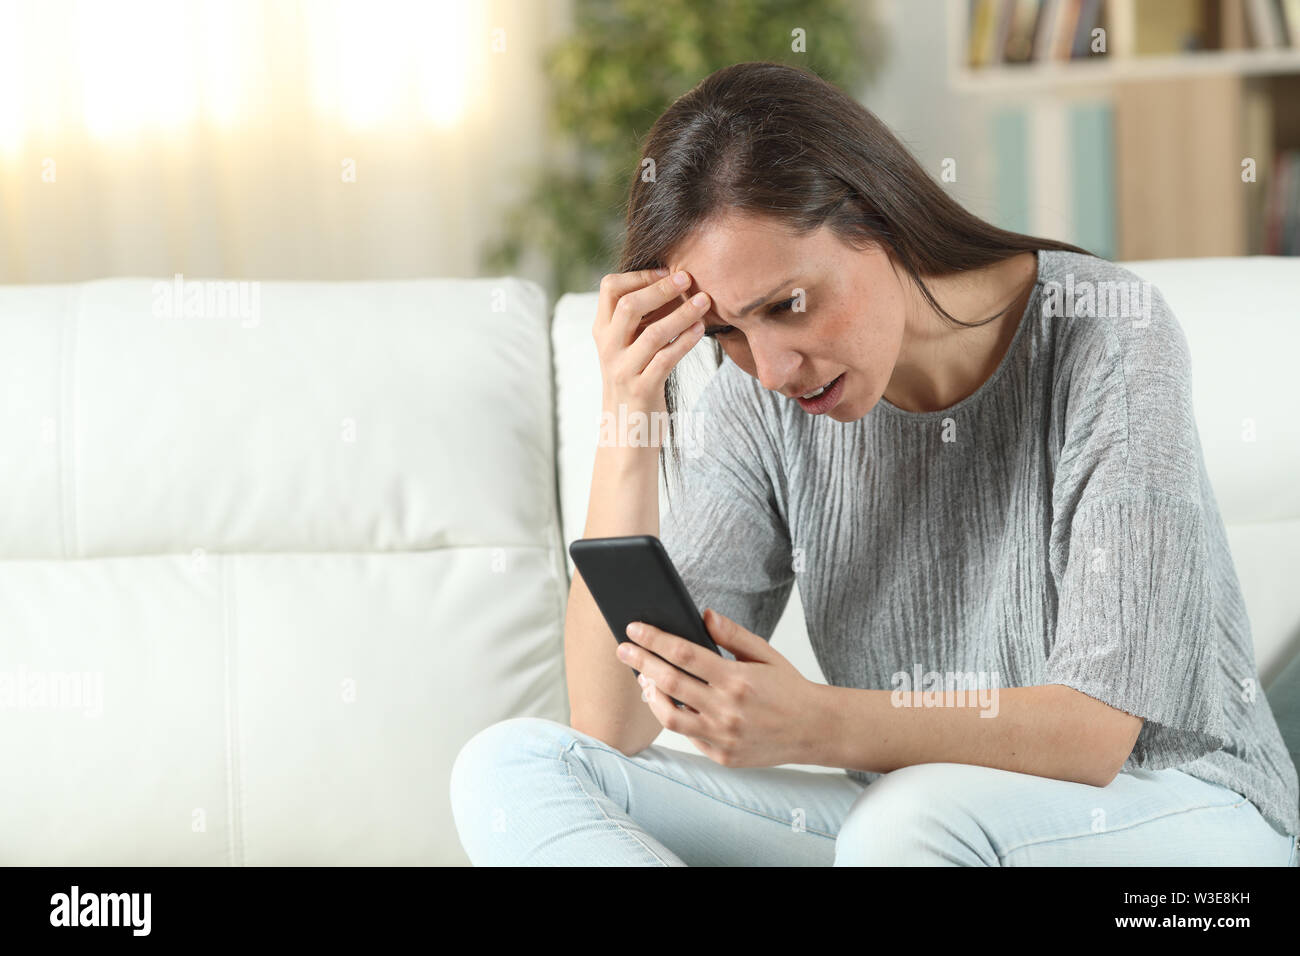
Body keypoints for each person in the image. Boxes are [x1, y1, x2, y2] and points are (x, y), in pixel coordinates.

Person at [449, 61, 1300, 866]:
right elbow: (613, 721)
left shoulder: (1106, 332)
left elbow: (1093, 733)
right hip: (911, 836)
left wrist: (821, 723)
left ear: (880, 218)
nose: (775, 367)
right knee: (513, 767)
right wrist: (627, 412)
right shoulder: (762, 401)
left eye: (790, 304)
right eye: (728, 333)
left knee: (906, 823)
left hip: (1187, 827)